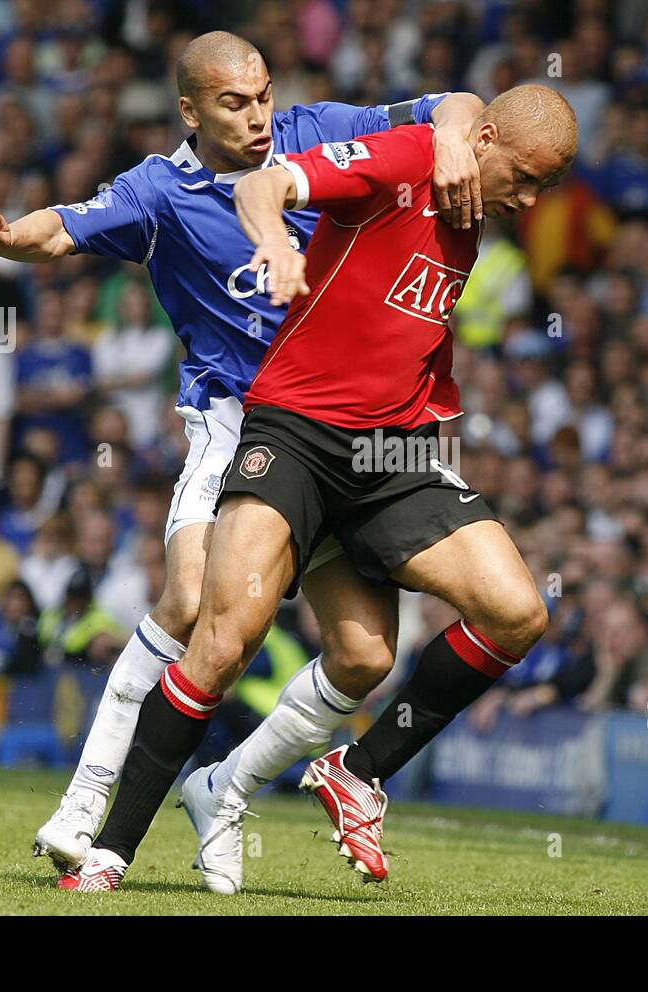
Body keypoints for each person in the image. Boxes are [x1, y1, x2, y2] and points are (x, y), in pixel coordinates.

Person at [0, 30, 485, 872]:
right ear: (191, 109)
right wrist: (3, 239)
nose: (260, 115)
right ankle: (83, 806)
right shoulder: (160, 191)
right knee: (192, 599)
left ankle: (224, 786)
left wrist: (454, 134)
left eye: (265, 93)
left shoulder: (317, 131)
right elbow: (61, 233)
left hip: (344, 426)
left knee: (366, 654)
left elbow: (453, 106)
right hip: (237, 420)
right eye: (235, 103)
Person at [63, 83, 577, 892]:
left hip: (392, 452)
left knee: (508, 615)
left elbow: (460, 106)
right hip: (297, 433)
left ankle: (355, 773)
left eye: (550, 185)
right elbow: (266, 184)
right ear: (484, 141)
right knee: (223, 641)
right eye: (529, 173)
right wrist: (275, 243)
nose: (534, 197)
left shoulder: (475, 191)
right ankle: (108, 852)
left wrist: (459, 132)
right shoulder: (409, 159)